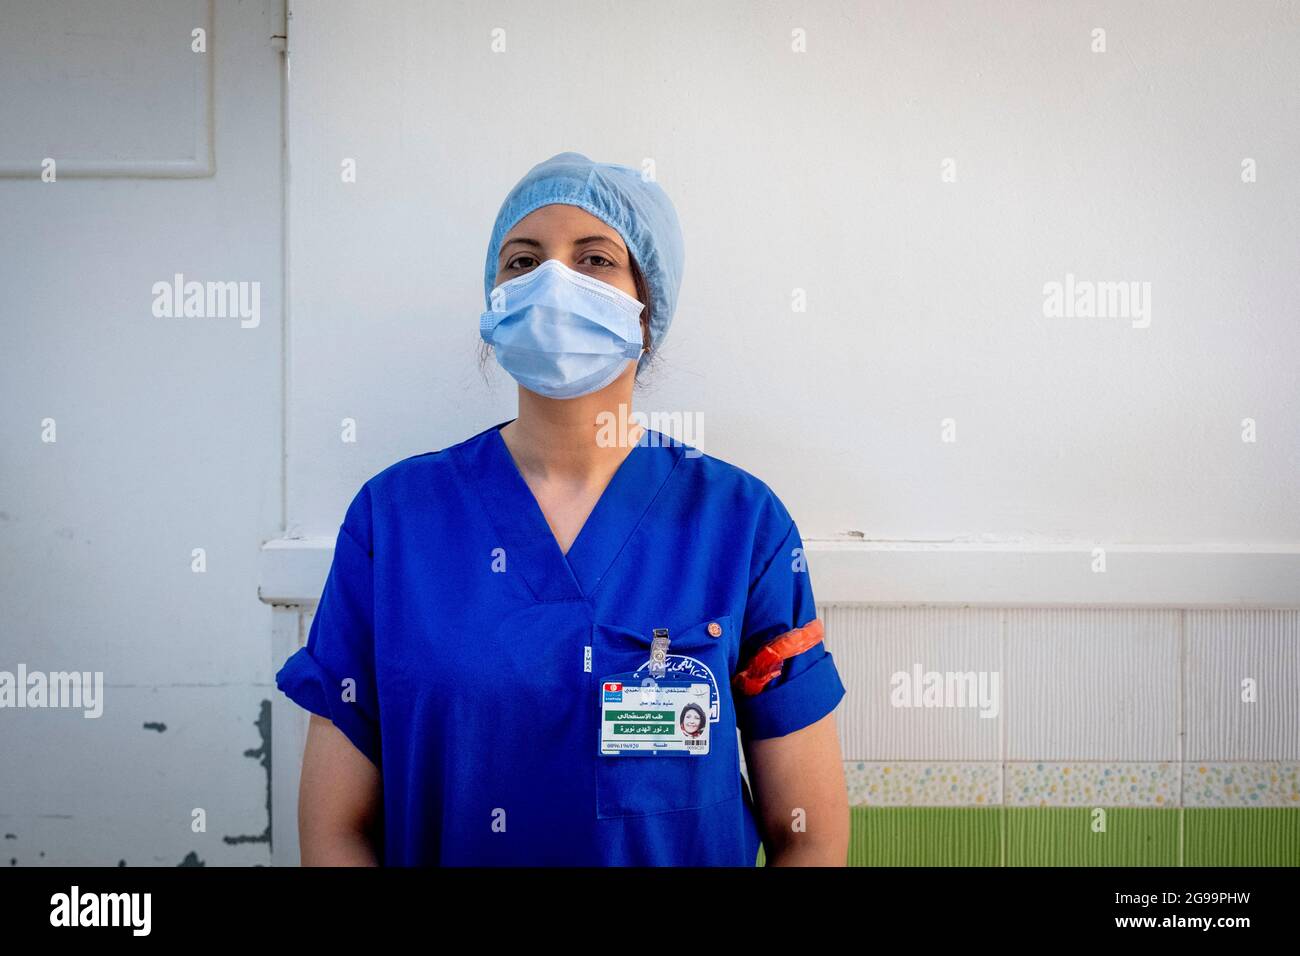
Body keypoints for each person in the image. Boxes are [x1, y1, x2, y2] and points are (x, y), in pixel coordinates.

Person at [275, 151, 849, 866]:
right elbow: (336, 831)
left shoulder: (741, 526)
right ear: (495, 299)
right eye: (522, 262)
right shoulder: (393, 523)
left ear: (647, 305)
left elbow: (809, 836)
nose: (552, 281)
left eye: (595, 259)